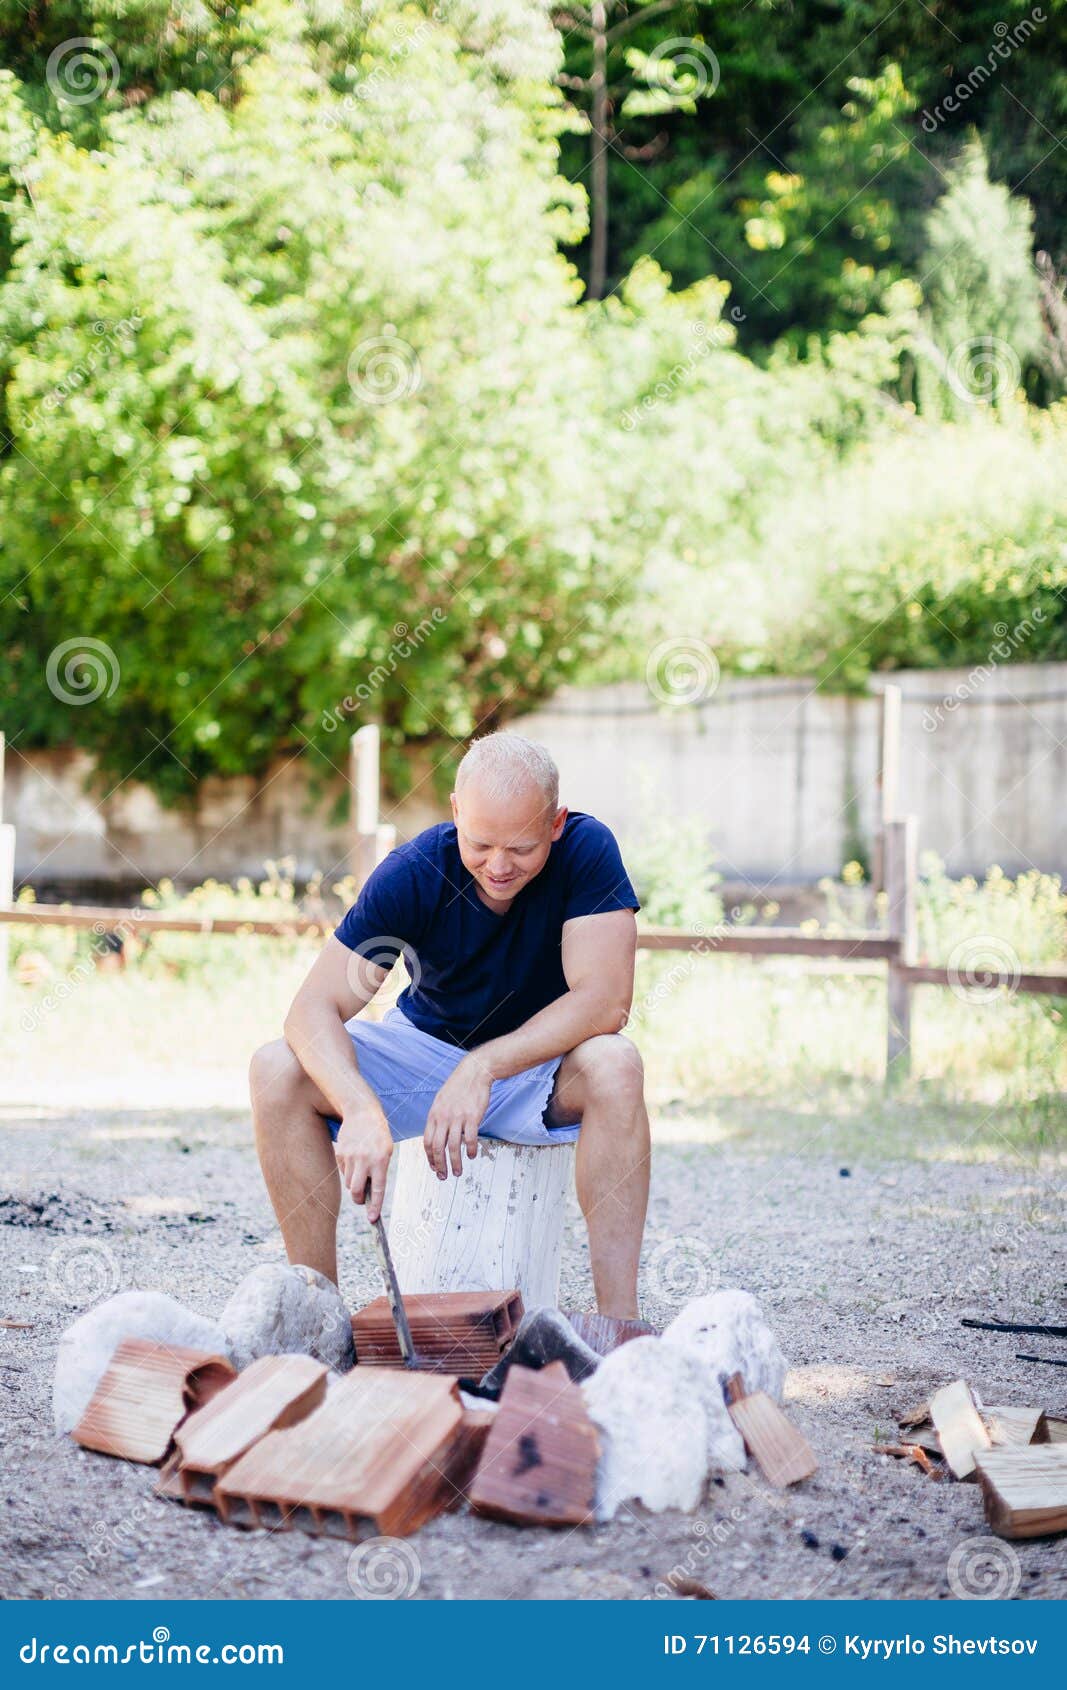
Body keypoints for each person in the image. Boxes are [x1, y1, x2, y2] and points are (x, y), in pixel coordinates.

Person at [249, 731, 650, 1317]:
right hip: (427, 1056)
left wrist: (484, 1066)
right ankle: (318, 1315)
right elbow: (312, 1010)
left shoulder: (587, 851)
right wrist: (358, 1107)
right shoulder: (413, 873)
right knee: (276, 1066)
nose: (499, 866)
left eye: (522, 848)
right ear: (456, 811)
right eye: (481, 843)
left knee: (617, 1063)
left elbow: (605, 1001)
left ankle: (620, 1329)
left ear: (557, 823)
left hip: (544, 1069)